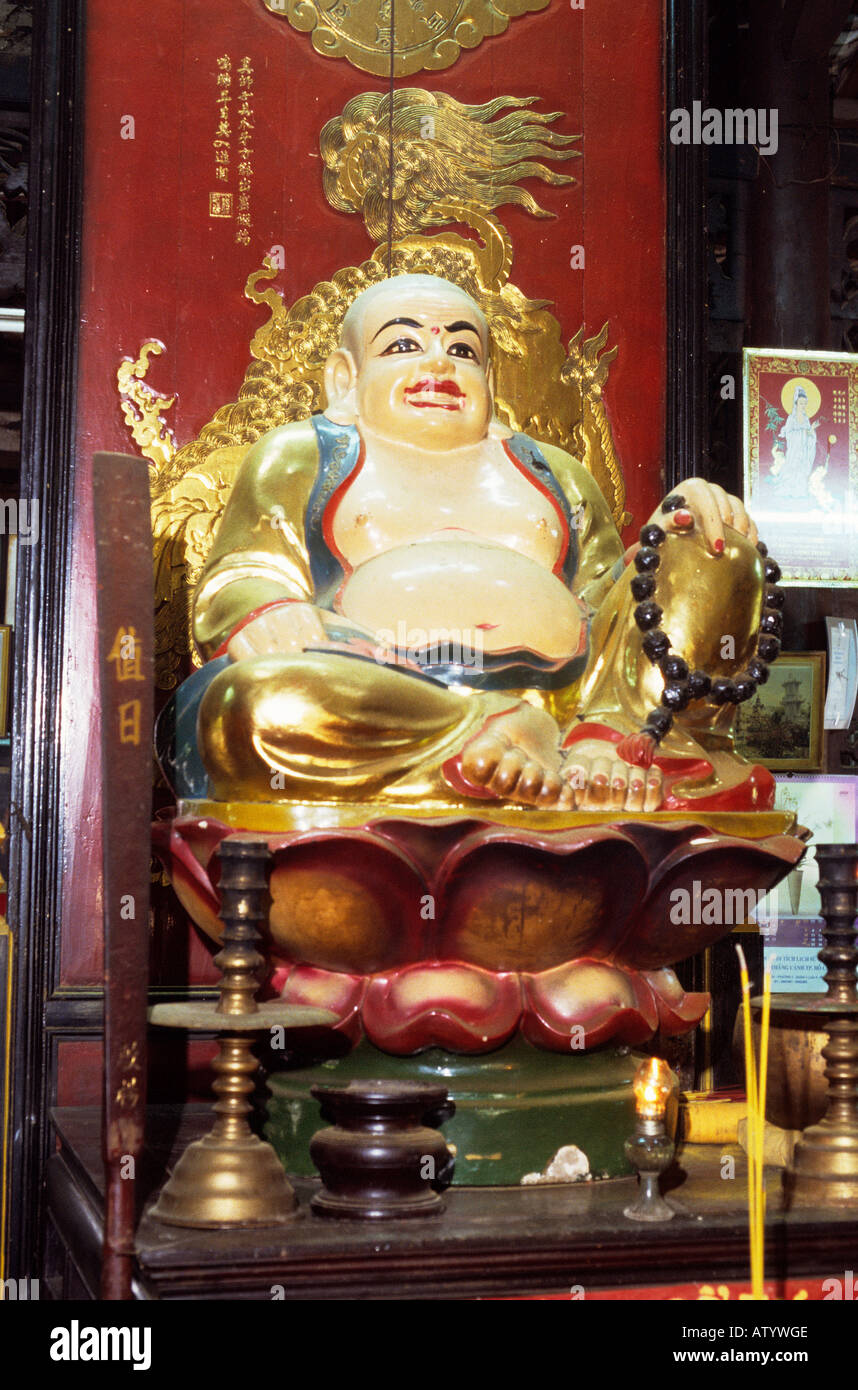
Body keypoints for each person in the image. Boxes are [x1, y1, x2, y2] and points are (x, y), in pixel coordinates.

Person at [191, 274, 766, 813]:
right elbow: (244, 568)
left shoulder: (554, 471)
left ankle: (607, 739)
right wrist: (266, 608)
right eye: (402, 347)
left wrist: (672, 530)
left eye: (462, 352)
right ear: (346, 377)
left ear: (489, 381)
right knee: (258, 705)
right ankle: (486, 730)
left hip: (578, 699)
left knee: (720, 549)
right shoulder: (302, 454)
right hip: (387, 692)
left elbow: (614, 602)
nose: (438, 362)